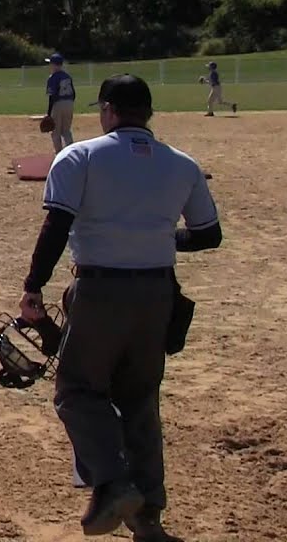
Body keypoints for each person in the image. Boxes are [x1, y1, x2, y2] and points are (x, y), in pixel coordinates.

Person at [18, 74, 222, 540]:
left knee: (77, 391)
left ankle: (112, 482)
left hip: (100, 290)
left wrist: (34, 286)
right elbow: (209, 234)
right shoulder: (182, 164)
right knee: (139, 399)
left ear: (108, 110)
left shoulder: (81, 156)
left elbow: (57, 225)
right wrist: (158, 235)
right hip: (157, 295)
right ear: (148, 113)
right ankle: (148, 515)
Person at [44, 53, 76, 152]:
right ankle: (72, 153)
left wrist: (49, 113)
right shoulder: (67, 76)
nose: (50, 66)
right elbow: (74, 93)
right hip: (69, 103)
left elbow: (52, 96)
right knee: (66, 131)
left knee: (55, 132)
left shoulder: (53, 77)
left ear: (54, 64)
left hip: (58, 104)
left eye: (51, 63)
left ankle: (59, 154)